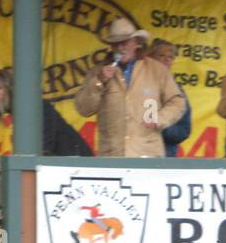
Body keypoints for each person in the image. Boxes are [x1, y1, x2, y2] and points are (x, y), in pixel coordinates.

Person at [74, 18, 186, 158]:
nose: (120, 48)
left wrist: (160, 118)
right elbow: (83, 109)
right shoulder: (98, 71)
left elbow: (178, 102)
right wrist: (98, 82)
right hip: (112, 157)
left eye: (125, 42)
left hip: (147, 155)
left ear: (136, 43)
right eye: (116, 44)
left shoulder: (156, 70)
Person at [0, 68, 93, 158]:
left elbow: (46, 146)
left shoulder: (36, 106)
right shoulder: (19, 113)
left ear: (10, 89)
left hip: (75, 165)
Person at [146, 39, 192, 157]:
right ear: (150, 58)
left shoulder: (178, 91)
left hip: (165, 154)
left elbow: (184, 130)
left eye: (170, 57)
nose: (166, 59)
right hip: (136, 151)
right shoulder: (136, 83)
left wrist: (161, 128)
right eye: (161, 55)